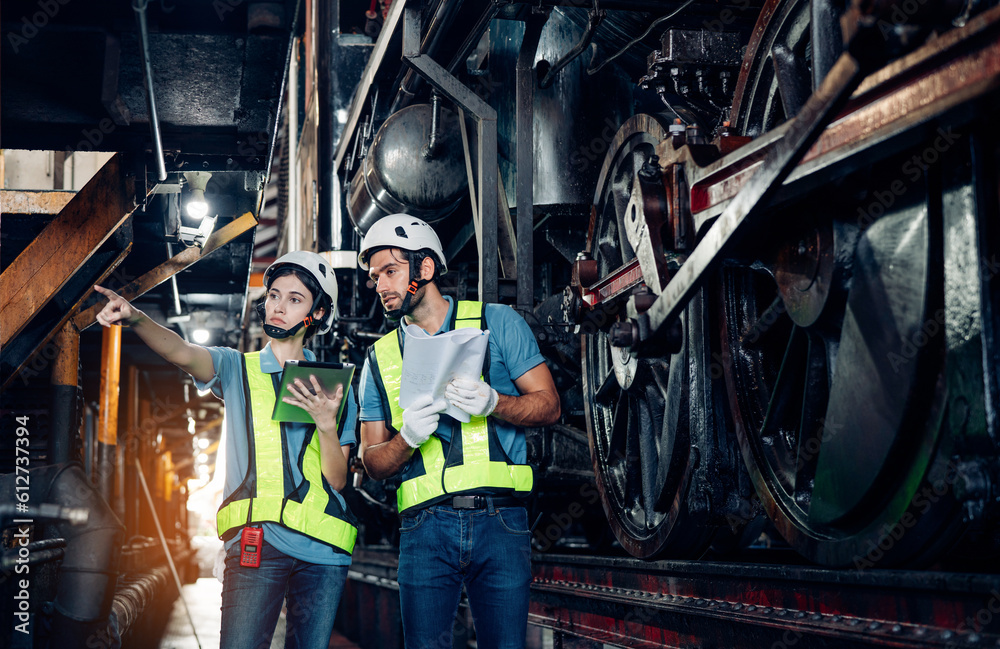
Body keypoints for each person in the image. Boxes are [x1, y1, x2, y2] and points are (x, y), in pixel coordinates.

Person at [94, 251, 358, 649]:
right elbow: (181, 352)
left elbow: (336, 480)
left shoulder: (335, 388)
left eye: (295, 299)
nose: (278, 306)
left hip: (322, 551)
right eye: (274, 295)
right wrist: (135, 318)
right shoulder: (238, 369)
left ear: (317, 313)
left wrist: (325, 422)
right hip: (256, 544)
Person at [356, 214, 560, 649]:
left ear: (425, 268)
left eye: (390, 271)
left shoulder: (497, 322)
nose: (380, 285)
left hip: (501, 522)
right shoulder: (378, 359)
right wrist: (406, 439)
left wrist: (495, 403)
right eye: (375, 277)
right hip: (423, 530)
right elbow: (371, 462)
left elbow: (549, 406)